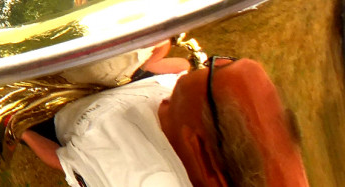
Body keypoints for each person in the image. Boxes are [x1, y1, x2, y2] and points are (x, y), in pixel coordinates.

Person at [22, 55, 309, 187]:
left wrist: (18, 126)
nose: (207, 62)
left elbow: (64, 162)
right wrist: (147, 58)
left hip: (65, 106)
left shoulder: (139, 176)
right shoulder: (194, 115)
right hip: (133, 84)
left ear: (195, 143)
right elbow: (182, 70)